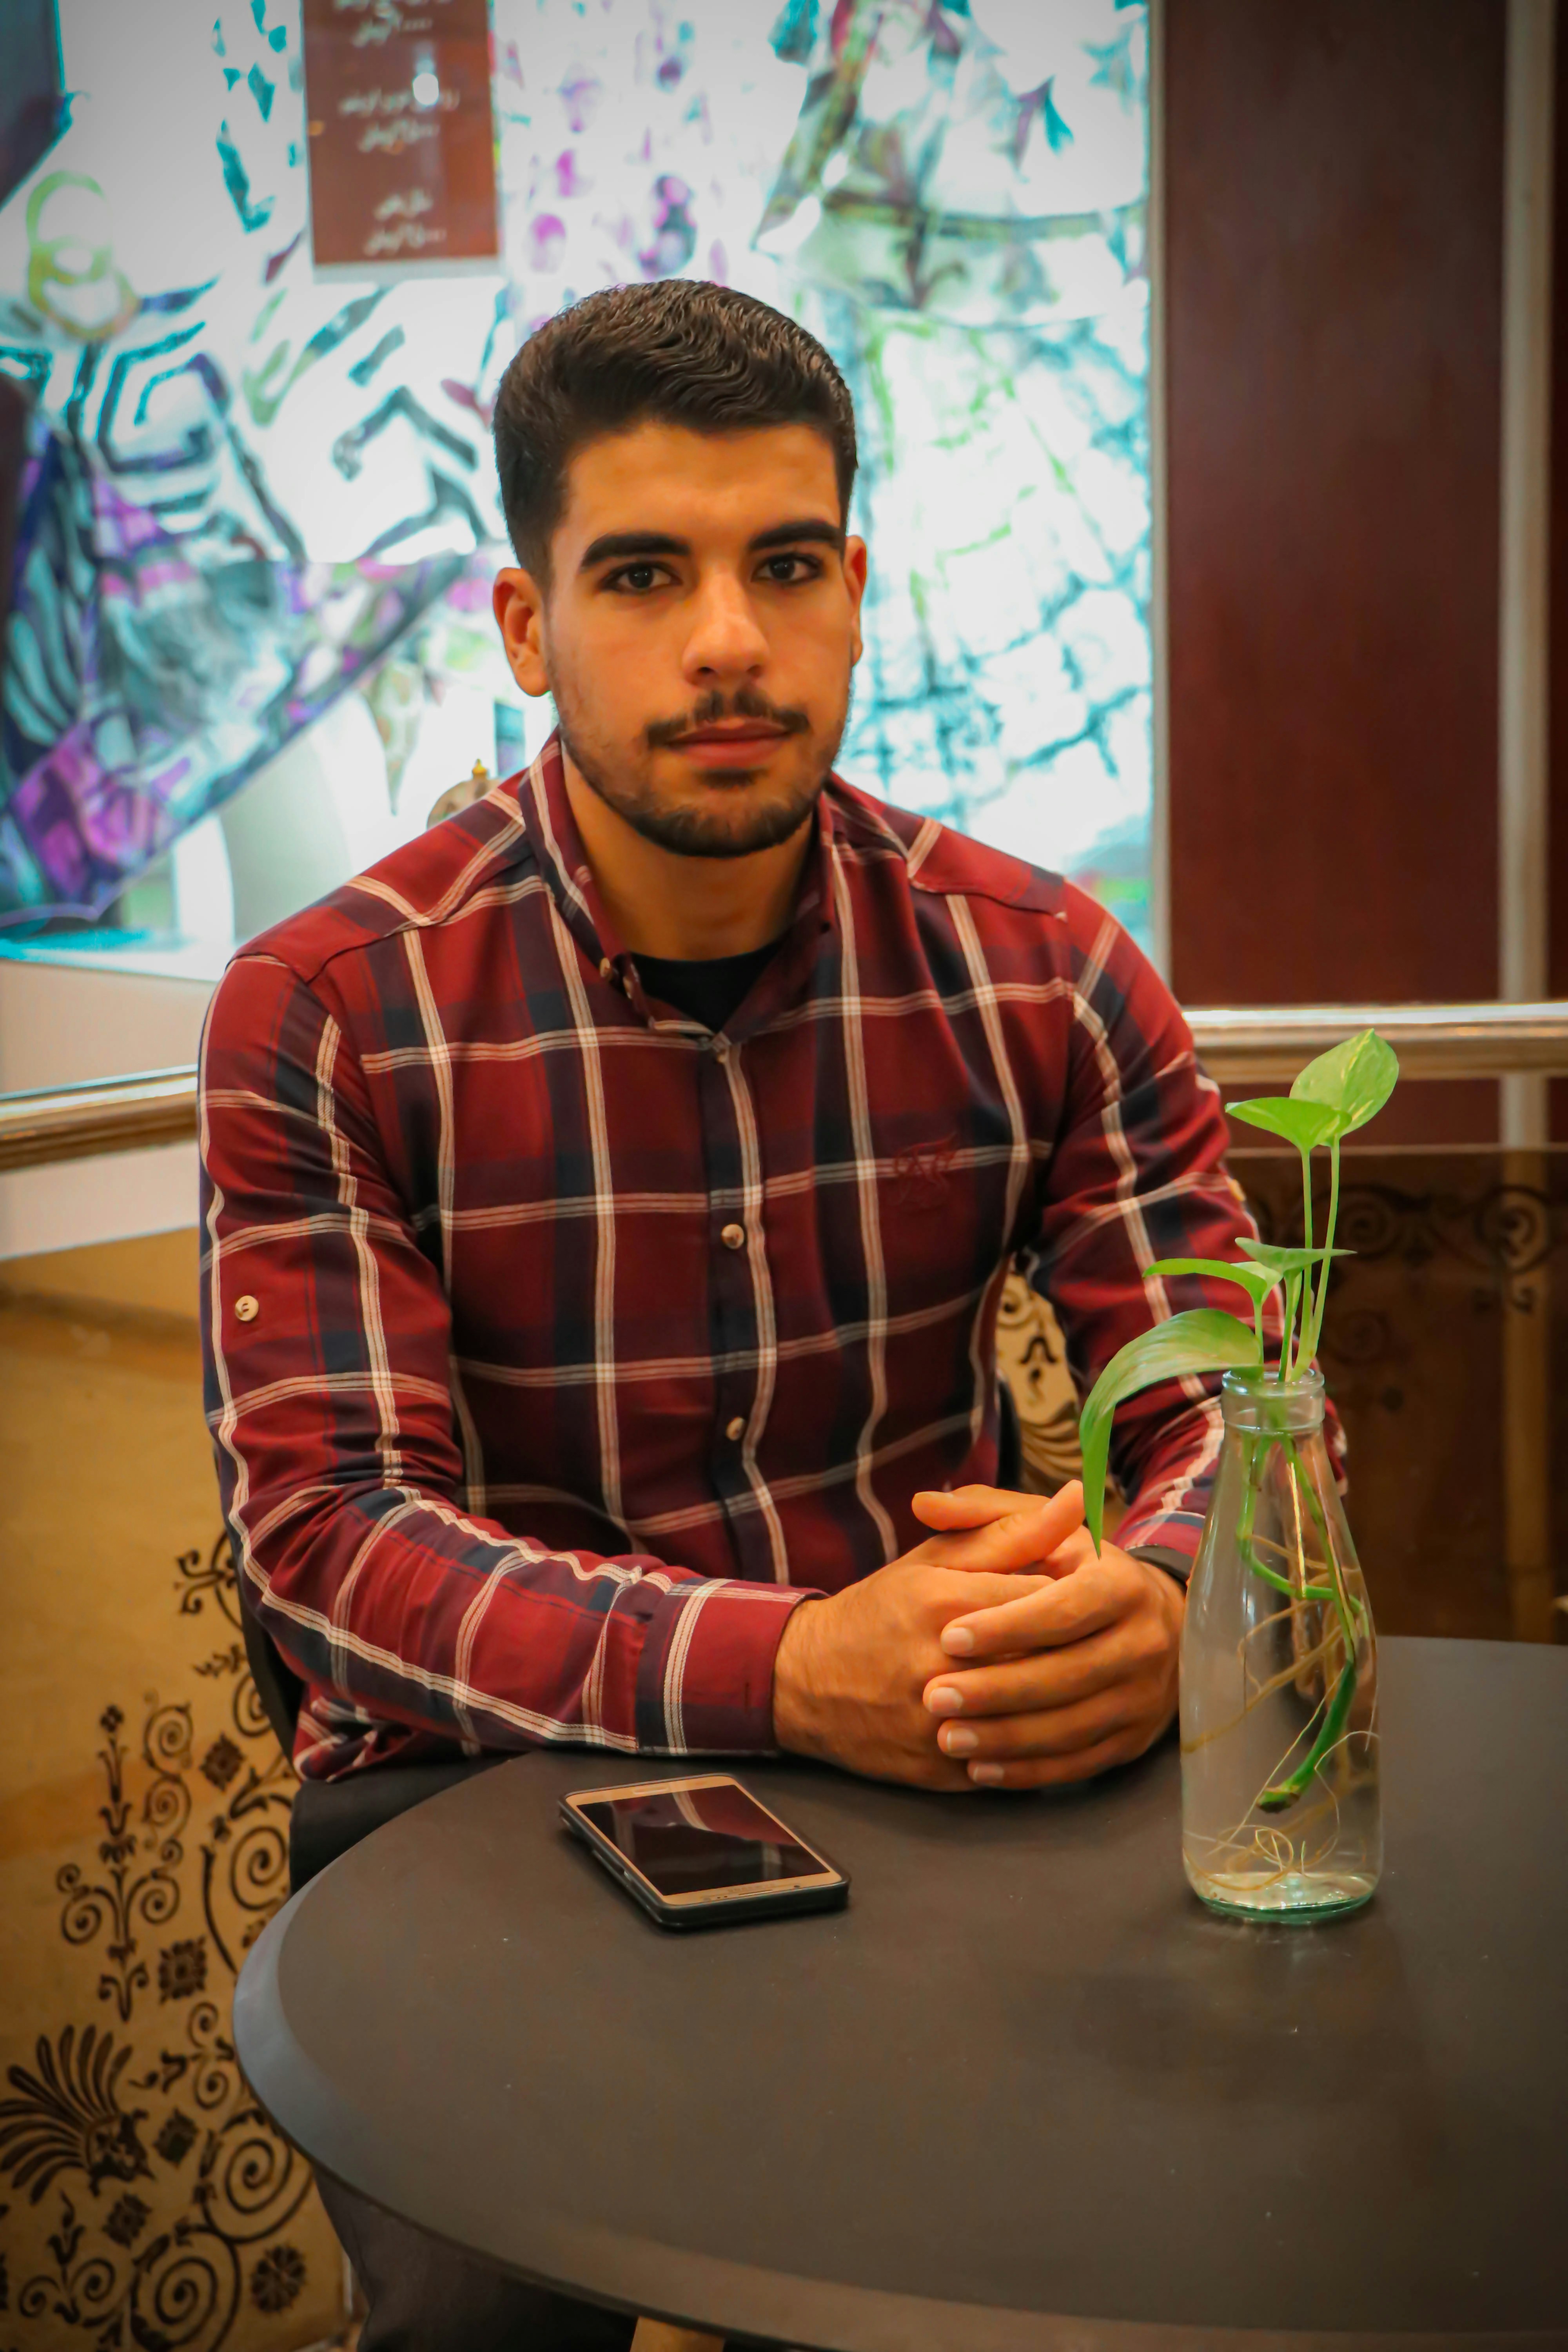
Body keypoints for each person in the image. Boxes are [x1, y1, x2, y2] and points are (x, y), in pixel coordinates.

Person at [198, 281, 1260, 2352]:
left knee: (1127, 2232)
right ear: (527, 628)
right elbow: (329, 1553)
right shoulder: (334, 1008)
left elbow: (1230, 1408)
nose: (724, 643)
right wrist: (786, 1669)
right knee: (486, 2321)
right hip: (470, 1805)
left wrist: (1153, 1600)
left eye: (784, 567)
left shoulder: (1042, 972)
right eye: (641, 575)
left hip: (936, 1776)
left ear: (855, 589)